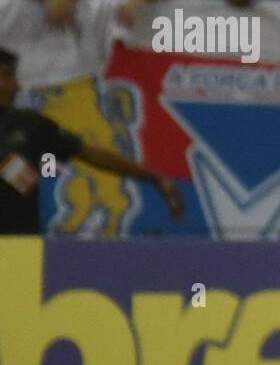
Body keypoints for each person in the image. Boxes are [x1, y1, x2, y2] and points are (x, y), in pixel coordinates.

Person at [0, 48, 184, 236]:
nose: (17, 87)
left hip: (19, 245)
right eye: (7, 76)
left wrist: (153, 177)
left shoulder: (29, 124)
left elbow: (91, 154)